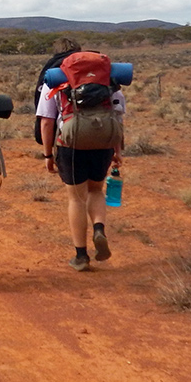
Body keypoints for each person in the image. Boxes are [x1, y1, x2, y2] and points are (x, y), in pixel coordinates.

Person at [36, 57, 124, 271]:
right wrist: (117, 150)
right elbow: (118, 117)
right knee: (96, 191)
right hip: (103, 143)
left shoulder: (56, 83)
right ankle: (99, 229)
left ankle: (81, 256)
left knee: (76, 199)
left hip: (70, 145)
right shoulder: (109, 83)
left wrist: (47, 155)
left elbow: (47, 121)